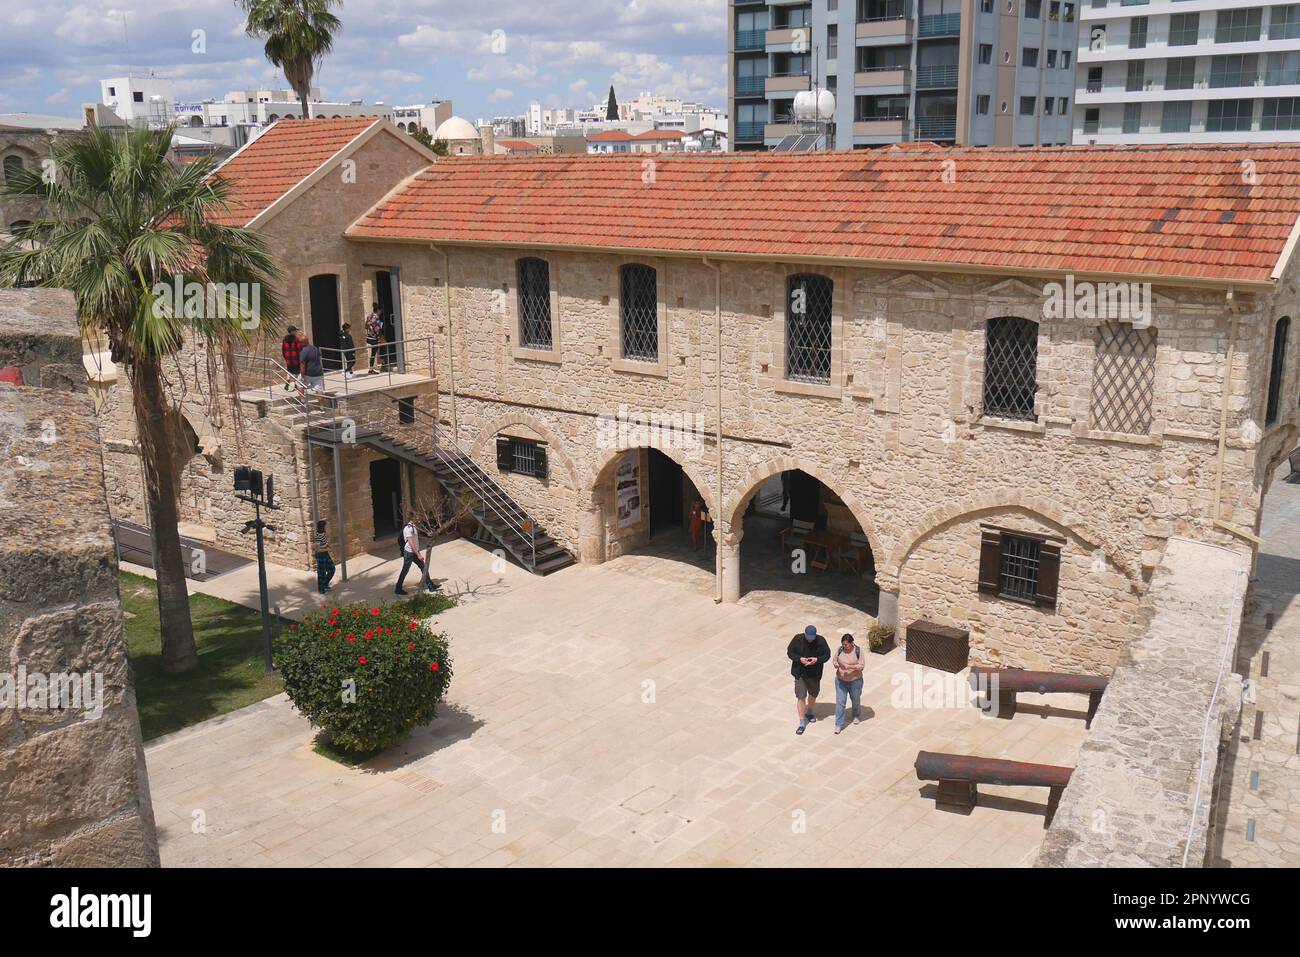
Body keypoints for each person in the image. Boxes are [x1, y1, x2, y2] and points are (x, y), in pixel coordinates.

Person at [787, 625, 830, 735]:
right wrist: (799, 659)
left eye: (813, 637)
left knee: (813, 694)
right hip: (800, 673)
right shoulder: (797, 639)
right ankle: (802, 722)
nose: (811, 639)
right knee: (801, 696)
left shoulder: (821, 641)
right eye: (809, 636)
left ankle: (809, 710)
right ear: (805, 634)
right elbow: (790, 652)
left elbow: (827, 655)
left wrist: (817, 660)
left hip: (814, 674)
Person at [395, 511, 440, 595]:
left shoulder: (413, 526)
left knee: (423, 568)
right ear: (412, 517)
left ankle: (430, 586)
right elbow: (411, 543)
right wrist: (418, 554)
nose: (418, 518)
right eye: (417, 516)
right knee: (405, 570)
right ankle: (398, 588)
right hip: (409, 553)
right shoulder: (408, 528)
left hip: (414, 552)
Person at [832, 633, 865, 734]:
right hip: (841, 681)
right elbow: (834, 660)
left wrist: (850, 667)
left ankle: (856, 715)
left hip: (855, 681)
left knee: (855, 700)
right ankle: (838, 724)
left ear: (852, 643)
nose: (844, 646)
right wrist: (837, 665)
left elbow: (861, 666)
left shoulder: (858, 651)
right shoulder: (840, 649)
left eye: (846, 644)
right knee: (840, 702)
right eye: (843, 644)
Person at [314, 519, 335, 595]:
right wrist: (327, 549)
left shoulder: (323, 534)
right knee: (321, 573)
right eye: (326, 526)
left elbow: (324, 543)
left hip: (325, 553)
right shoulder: (318, 536)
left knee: (332, 569)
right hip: (321, 555)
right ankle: (321, 589)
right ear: (323, 527)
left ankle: (325, 585)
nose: (327, 527)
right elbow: (317, 549)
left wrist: (327, 547)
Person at [364, 303, 384, 375]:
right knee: (374, 353)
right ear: (378, 310)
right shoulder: (376, 317)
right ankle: (371, 369)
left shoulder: (369, 316)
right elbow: (377, 329)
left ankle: (371, 368)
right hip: (374, 338)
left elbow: (366, 326)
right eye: (380, 310)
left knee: (373, 354)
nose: (381, 312)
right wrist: (379, 337)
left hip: (369, 337)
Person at [280, 325, 302, 390]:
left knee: (289, 369)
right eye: (295, 330)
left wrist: (286, 357)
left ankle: (288, 380)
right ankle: (296, 384)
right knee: (297, 371)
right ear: (292, 331)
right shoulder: (296, 339)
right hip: (295, 358)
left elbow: (283, 349)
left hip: (288, 358)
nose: (296, 331)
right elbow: (299, 349)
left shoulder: (285, 339)